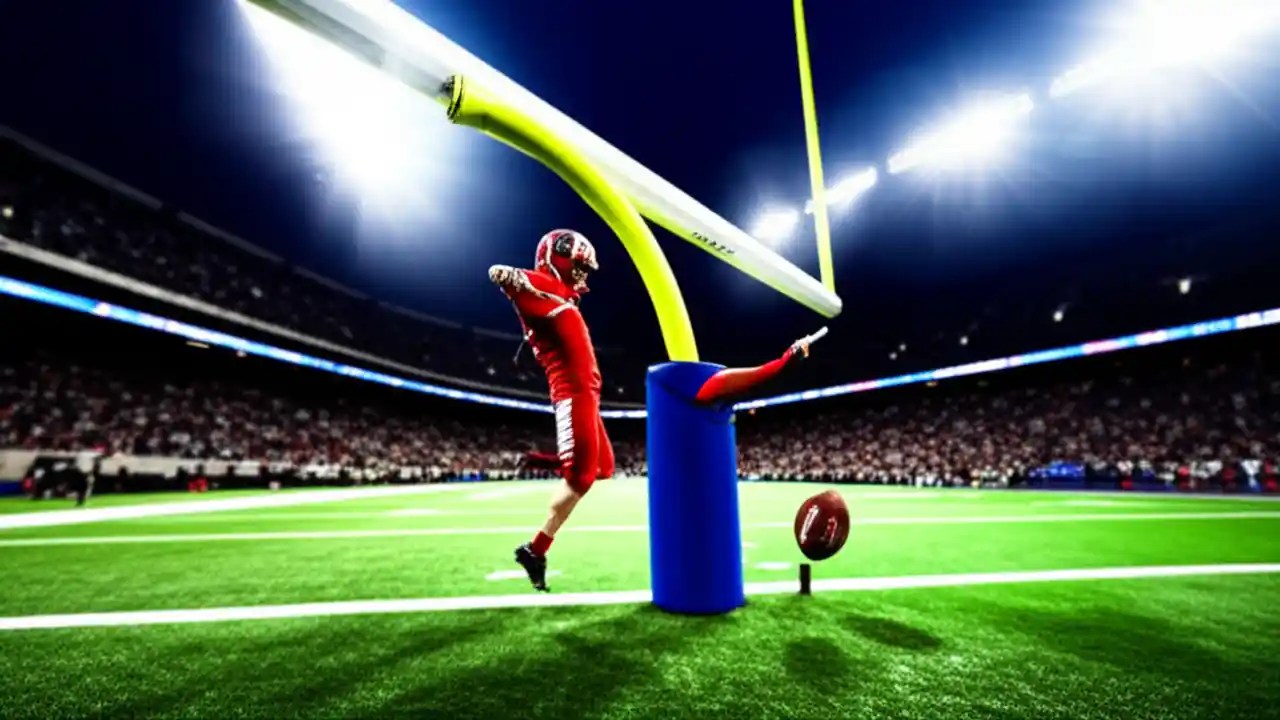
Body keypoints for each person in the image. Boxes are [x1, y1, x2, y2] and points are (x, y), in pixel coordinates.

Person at [489, 229, 610, 592]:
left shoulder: (561, 296)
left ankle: (545, 459)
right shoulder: (539, 290)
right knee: (581, 479)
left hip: (588, 394)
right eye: (578, 265)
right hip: (572, 394)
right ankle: (535, 550)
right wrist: (513, 278)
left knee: (604, 467)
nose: (582, 274)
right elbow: (502, 274)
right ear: (558, 257)